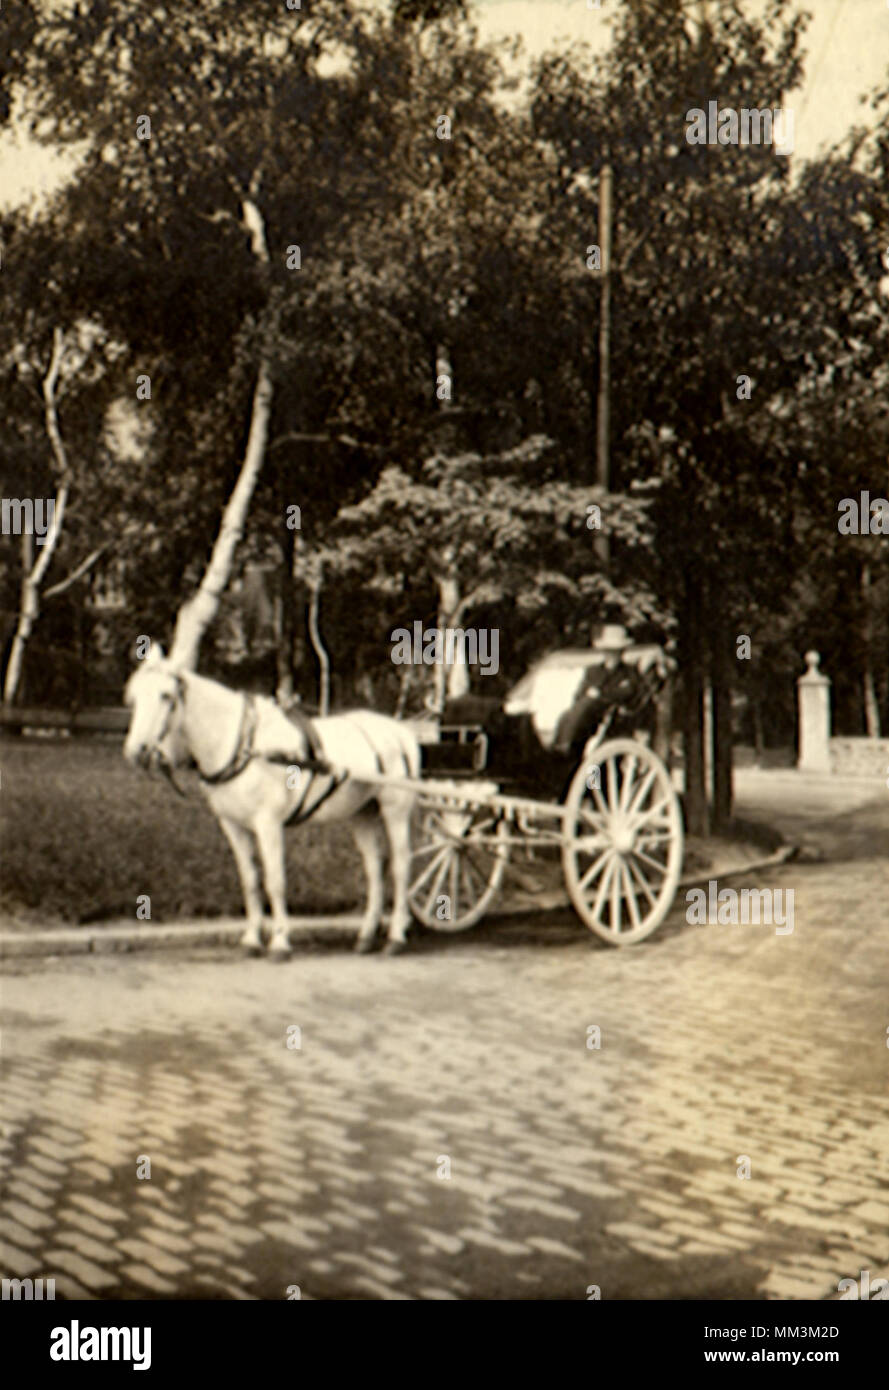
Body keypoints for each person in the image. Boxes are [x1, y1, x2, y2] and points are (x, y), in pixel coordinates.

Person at [552, 624, 667, 756]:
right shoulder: (593, 672)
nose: (612, 654)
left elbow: (632, 698)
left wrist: (600, 695)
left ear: (622, 652)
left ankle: (584, 764)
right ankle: (564, 747)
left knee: (590, 706)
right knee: (573, 712)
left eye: (617, 651)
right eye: (609, 651)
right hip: (586, 725)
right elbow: (579, 695)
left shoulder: (629, 674)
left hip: (613, 727)